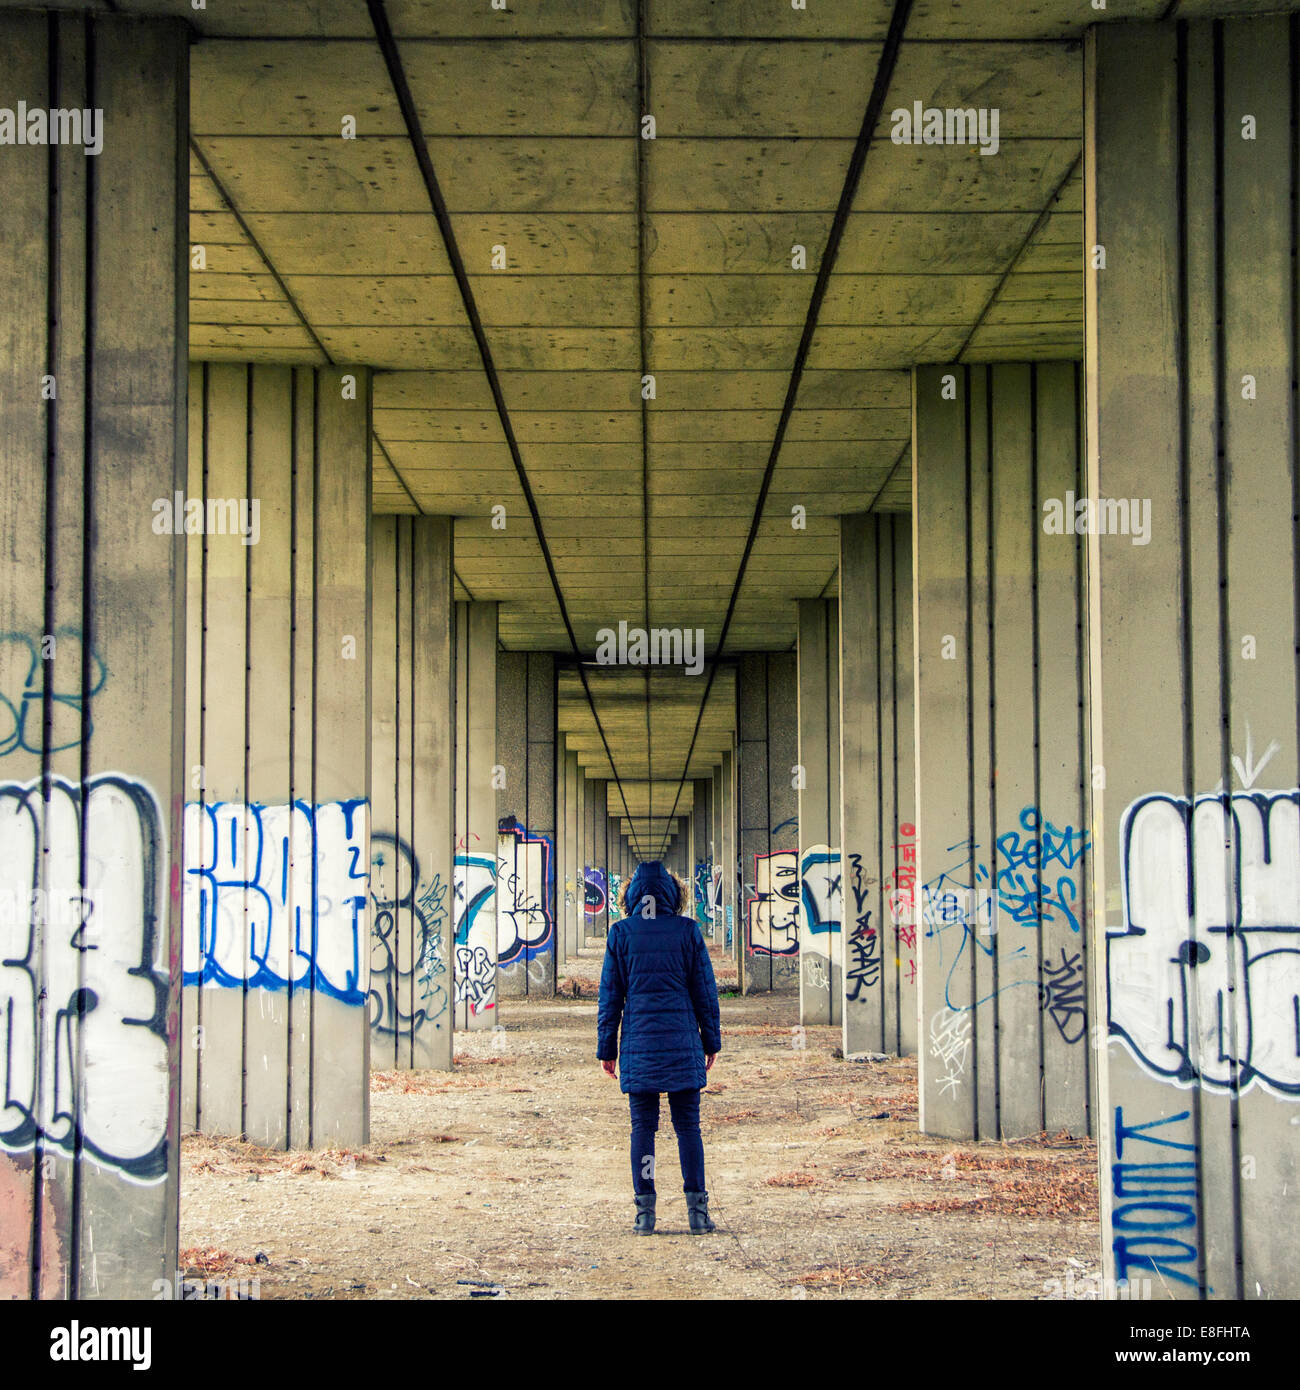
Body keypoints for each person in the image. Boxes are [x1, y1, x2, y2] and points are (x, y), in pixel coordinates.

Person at [596, 860, 722, 1236]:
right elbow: (705, 991)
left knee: (643, 1131)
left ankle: (645, 1214)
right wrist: (711, 1040)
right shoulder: (688, 932)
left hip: (639, 1048)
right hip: (683, 1045)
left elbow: (610, 998)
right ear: (674, 893)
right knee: (688, 1129)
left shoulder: (621, 934)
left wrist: (607, 1048)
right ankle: (697, 1214)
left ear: (632, 894)